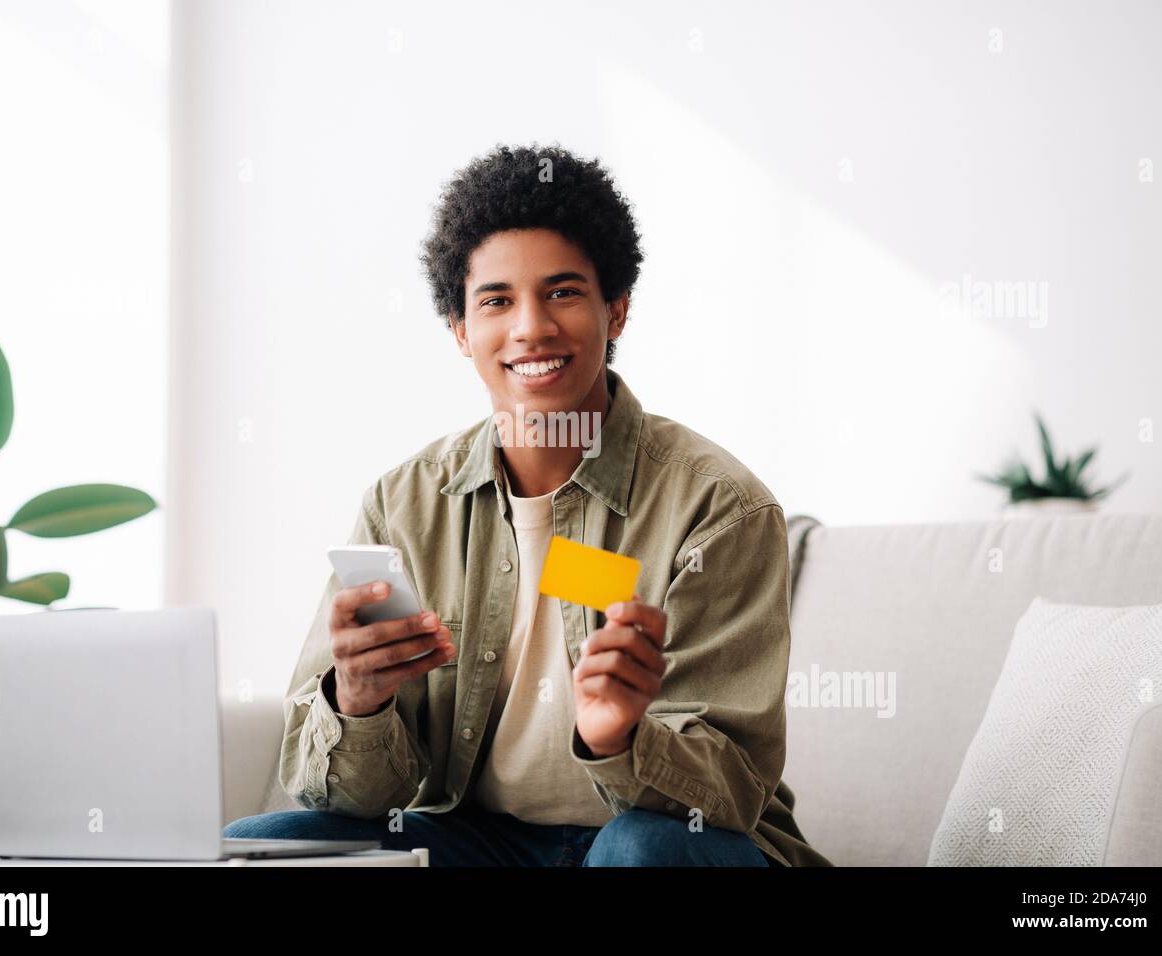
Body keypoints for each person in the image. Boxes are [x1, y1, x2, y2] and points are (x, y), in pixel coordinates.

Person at [224, 143, 831, 867]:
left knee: (639, 854)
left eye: (564, 292)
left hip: (656, 838)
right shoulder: (406, 505)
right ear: (460, 330)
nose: (531, 328)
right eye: (496, 301)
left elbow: (734, 791)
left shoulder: (716, 506)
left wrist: (620, 739)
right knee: (257, 849)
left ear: (618, 309)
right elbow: (347, 798)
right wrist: (358, 702)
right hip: (479, 844)